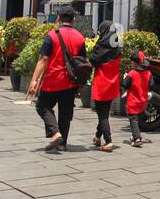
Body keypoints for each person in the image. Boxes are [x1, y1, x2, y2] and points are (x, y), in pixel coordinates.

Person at [27, 8, 87, 151]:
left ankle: (55, 133)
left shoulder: (52, 36)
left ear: (58, 19)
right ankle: (62, 144)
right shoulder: (80, 37)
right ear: (73, 20)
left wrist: (34, 80)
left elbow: (43, 59)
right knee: (65, 113)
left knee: (42, 106)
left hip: (52, 80)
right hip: (71, 81)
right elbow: (82, 61)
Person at [88, 20, 121, 152]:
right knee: (104, 112)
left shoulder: (100, 47)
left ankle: (108, 141)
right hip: (112, 83)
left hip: (101, 83)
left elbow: (92, 60)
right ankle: (97, 136)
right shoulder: (117, 46)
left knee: (102, 114)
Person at [121, 50, 151, 148]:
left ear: (134, 63)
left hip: (133, 102)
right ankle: (134, 135)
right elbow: (152, 85)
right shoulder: (148, 73)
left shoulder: (132, 74)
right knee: (138, 120)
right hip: (143, 102)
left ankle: (137, 138)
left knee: (133, 120)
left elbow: (125, 85)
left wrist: (125, 78)